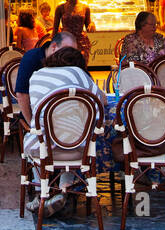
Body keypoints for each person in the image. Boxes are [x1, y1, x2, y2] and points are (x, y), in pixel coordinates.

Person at [22, 45, 105, 218]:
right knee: (74, 132)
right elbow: (102, 100)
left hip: (44, 149)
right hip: (77, 149)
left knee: (41, 134)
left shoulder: (36, 75)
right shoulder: (80, 74)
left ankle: (40, 192)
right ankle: (64, 189)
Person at [15, 30, 79, 125]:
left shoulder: (71, 60)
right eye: (66, 51)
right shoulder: (31, 58)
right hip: (37, 118)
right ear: (53, 47)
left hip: (65, 118)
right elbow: (22, 94)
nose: (70, 56)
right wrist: (32, 125)